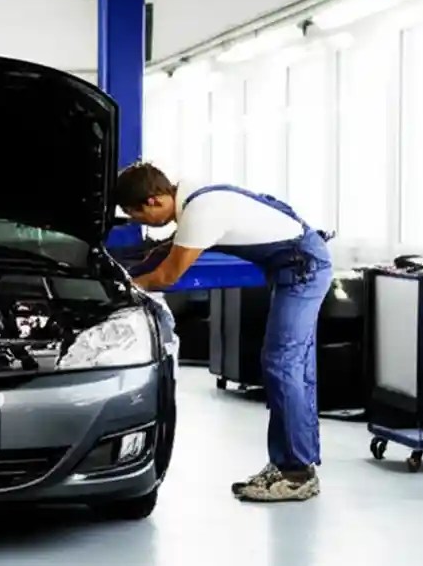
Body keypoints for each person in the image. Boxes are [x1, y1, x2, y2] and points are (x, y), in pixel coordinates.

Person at [115, 162, 333, 503]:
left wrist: (122, 289)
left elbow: (167, 276)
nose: (140, 223)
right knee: (295, 366)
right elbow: (164, 252)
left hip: (304, 267)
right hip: (296, 265)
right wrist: (125, 272)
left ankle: (295, 473)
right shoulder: (194, 197)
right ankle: (294, 464)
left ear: (155, 200)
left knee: (282, 364)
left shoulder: (202, 210)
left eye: (137, 215)